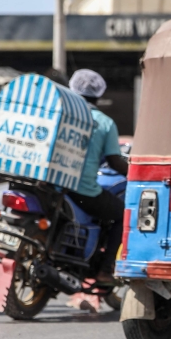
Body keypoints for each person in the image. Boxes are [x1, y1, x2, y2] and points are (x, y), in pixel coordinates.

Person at [68, 69, 128, 283]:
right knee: (122, 214)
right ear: (99, 95)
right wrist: (134, 171)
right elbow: (115, 161)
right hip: (81, 190)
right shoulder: (104, 123)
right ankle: (105, 269)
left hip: (55, 185)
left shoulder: (63, 113)